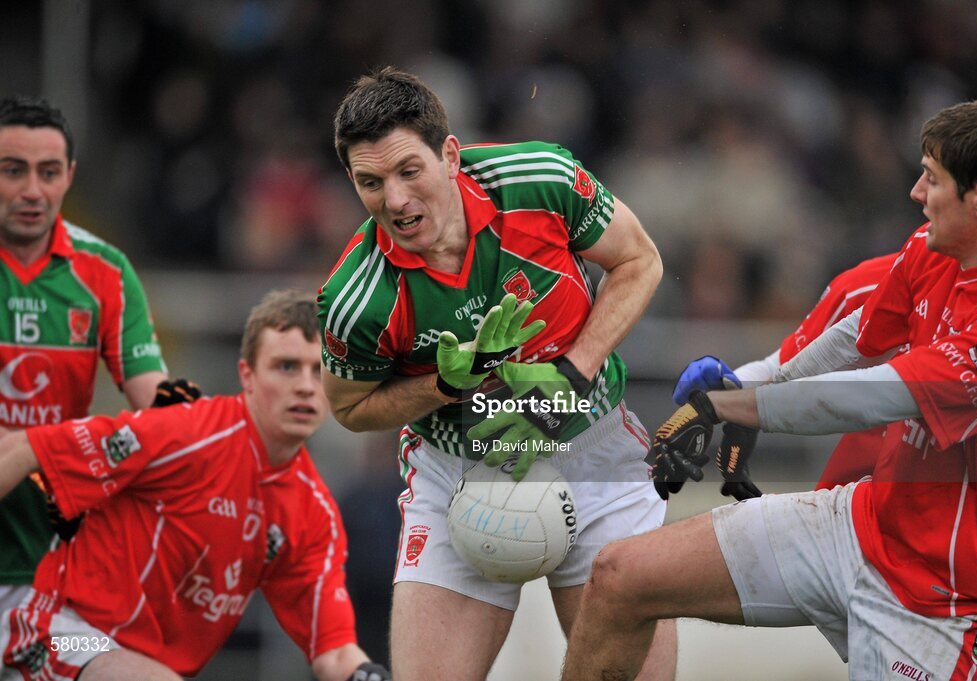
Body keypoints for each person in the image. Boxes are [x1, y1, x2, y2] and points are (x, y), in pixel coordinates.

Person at [561, 97, 977, 681]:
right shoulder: (934, 251)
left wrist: (732, 406)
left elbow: (875, 394)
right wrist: (748, 383)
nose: (914, 192)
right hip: (865, 525)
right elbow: (859, 336)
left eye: (931, 179)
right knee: (619, 578)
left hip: (958, 605)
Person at [317, 67, 676, 680]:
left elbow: (640, 260)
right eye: (370, 182)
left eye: (410, 171)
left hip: (592, 445)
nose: (396, 201)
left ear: (450, 155)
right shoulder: (357, 299)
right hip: (458, 468)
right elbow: (350, 409)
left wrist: (569, 373)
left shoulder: (541, 179)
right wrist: (444, 386)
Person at [0, 290, 390, 681]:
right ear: (247, 376)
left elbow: (335, 652)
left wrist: (367, 675)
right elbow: (24, 446)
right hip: (59, 635)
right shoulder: (187, 433)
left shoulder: (313, 514)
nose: (305, 386)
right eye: (286, 367)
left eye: (318, 370)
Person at [0, 95, 200, 620]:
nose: (31, 191)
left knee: (119, 668)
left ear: (69, 176)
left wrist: (190, 418)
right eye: (13, 171)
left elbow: (154, 398)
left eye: (47, 172)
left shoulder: (106, 271)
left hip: (55, 583)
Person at [673, 250, 898, 492]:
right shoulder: (866, 285)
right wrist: (733, 387)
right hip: (858, 503)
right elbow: (784, 365)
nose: (927, 209)